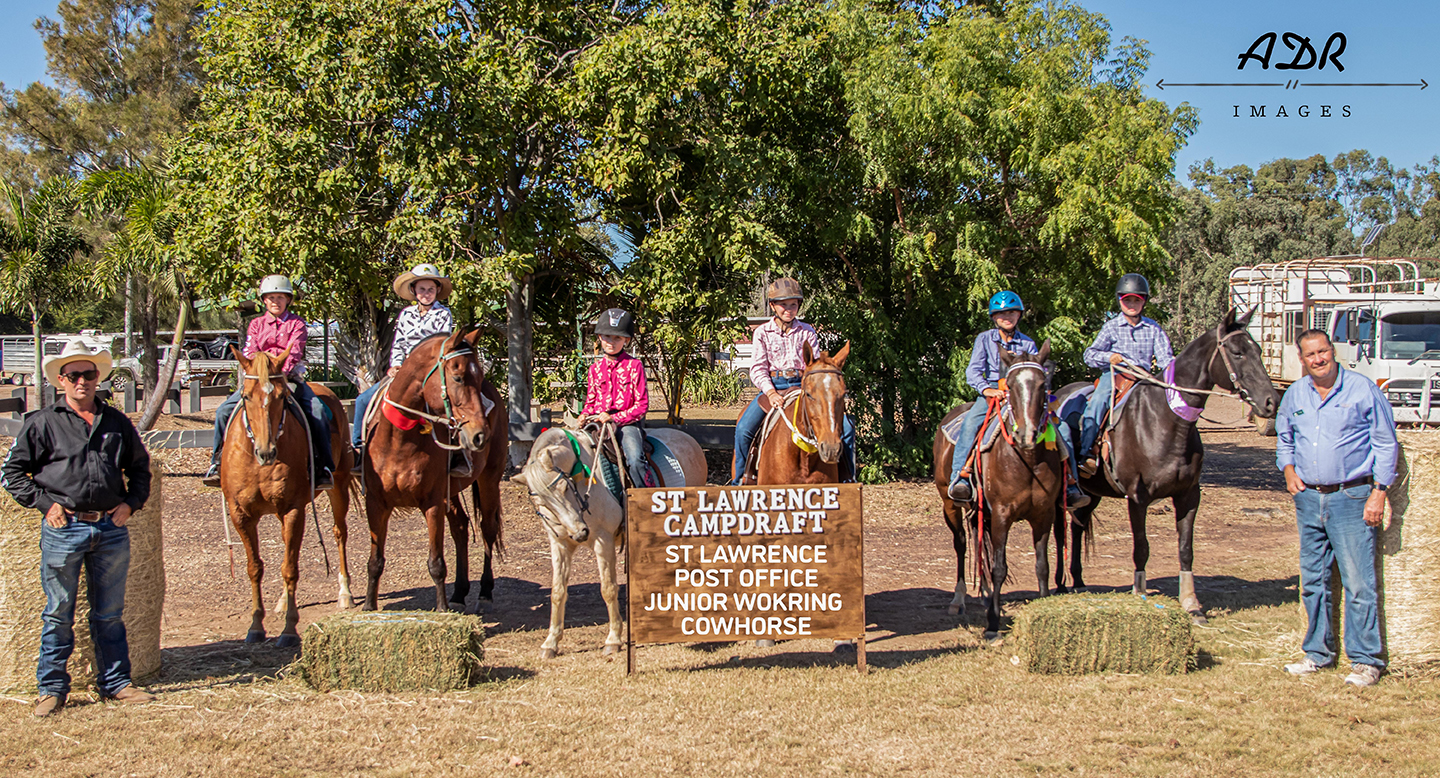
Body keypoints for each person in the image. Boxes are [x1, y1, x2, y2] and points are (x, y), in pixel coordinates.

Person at [1, 339, 155, 717]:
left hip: (110, 529)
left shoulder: (117, 422)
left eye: (87, 374)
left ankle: (116, 684)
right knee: (58, 612)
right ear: (61, 381)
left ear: (98, 377)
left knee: (109, 613)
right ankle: (51, 688)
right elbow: (12, 474)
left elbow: (140, 470)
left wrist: (130, 504)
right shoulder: (41, 423)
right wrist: (44, 504)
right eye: (73, 375)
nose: (81, 381)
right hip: (64, 528)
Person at [1277, 329, 1395, 687]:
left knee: (1358, 582)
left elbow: (1385, 442)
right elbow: (1285, 438)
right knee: (1314, 581)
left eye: (1323, 351)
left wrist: (1380, 491)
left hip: (1352, 496)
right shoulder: (1296, 394)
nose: (1318, 359)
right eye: (1310, 354)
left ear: (1333, 351)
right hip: (1309, 499)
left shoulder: (1362, 390)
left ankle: (1366, 661)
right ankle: (1317, 654)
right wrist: (1288, 470)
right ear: (1302, 359)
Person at [948, 291, 1089, 508]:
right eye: (1002, 313)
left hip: (1024, 395)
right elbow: (973, 371)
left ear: (1019, 315)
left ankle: (1070, 484)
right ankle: (960, 477)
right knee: (970, 425)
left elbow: (1036, 374)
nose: (1007, 317)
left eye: (1012, 312)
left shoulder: (1028, 344)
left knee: (1062, 431)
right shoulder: (984, 339)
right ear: (994, 317)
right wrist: (986, 389)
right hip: (992, 393)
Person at [202, 275, 334, 489]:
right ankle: (217, 463)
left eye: (280, 297)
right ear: (264, 300)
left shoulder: (297, 323)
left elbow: (295, 352)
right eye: (271, 297)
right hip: (258, 379)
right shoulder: (255, 324)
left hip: (287, 379)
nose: (275, 301)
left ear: (288, 300)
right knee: (223, 412)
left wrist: (277, 370)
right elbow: (250, 351)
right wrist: (259, 370)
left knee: (318, 410)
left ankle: (323, 466)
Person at [732, 277, 856, 484]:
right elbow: (758, 368)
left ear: (798, 305)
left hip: (803, 386)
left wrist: (811, 385)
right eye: (783, 305)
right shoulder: (762, 332)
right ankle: (742, 480)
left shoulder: (807, 331)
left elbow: (814, 365)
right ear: (773, 306)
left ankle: (847, 479)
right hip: (774, 386)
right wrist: (770, 393)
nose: (788, 309)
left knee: (847, 427)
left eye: (793, 304)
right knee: (744, 428)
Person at [351, 264, 455, 471]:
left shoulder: (444, 314)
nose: (426, 294)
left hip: (431, 371)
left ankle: (459, 453)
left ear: (437, 292)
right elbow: (398, 343)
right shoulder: (406, 315)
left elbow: (441, 343)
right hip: (405, 371)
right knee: (363, 400)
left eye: (430, 290)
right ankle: (358, 449)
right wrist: (396, 365)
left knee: (452, 406)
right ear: (414, 291)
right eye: (422, 289)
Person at [1078, 273, 1175, 477]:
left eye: (1136, 300)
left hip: (1143, 378)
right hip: (1116, 376)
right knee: (1099, 400)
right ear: (1120, 300)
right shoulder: (1111, 327)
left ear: (1144, 302)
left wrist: (1171, 378)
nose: (1132, 304)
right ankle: (1085, 453)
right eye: (1127, 299)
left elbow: (1166, 359)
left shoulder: (1153, 328)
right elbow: (1090, 354)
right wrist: (1109, 357)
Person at [581, 308, 650, 488]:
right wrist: (583, 415)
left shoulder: (634, 366)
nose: (611, 342)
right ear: (600, 338)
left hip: (626, 424)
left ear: (626, 340)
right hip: (598, 422)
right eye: (607, 337)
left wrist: (614, 417)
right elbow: (590, 401)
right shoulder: (594, 369)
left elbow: (642, 405)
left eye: (617, 338)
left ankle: (644, 497)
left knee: (634, 458)